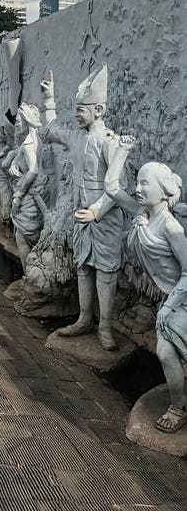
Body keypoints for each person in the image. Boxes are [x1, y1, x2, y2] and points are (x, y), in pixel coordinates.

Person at [105, 135, 187, 433]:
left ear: (163, 192)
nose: (137, 189)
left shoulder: (171, 227)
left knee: (166, 352)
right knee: (171, 351)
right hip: (172, 298)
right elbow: (112, 188)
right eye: (137, 183)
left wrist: (168, 308)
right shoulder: (142, 213)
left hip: (182, 297)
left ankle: (178, 408)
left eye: (144, 184)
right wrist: (122, 151)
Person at [40, 65, 123, 350]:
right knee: (83, 266)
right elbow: (50, 130)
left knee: (106, 271)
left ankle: (105, 327)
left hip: (104, 218)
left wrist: (97, 211)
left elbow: (117, 187)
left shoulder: (109, 142)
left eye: (81, 109)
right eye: (76, 108)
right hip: (80, 215)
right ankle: (84, 318)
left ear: (98, 109)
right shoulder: (76, 137)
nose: (76, 113)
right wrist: (49, 100)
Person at [2, 103, 46, 271]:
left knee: (23, 236)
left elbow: (33, 170)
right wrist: (14, 158)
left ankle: (29, 275)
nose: (16, 124)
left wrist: (19, 194)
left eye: (19, 121)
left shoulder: (27, 145)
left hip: (27, 197)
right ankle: (33, 273)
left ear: (28, 121)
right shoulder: (34, 140)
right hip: (34, 195)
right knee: (29, 236)